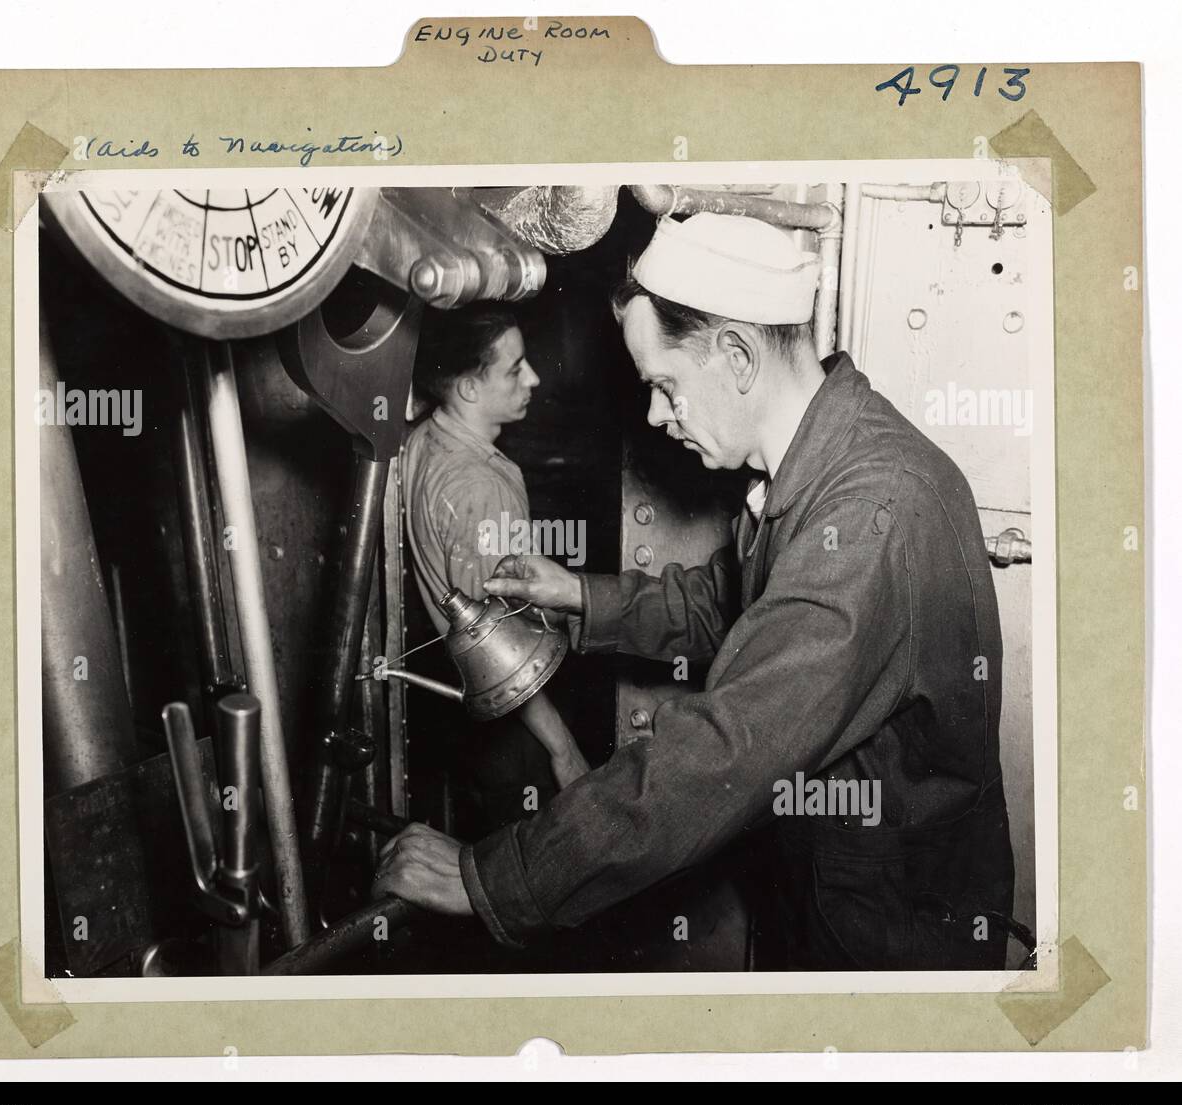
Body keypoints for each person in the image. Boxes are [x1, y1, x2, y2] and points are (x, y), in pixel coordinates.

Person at [375, 213, 1015, 971]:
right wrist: (578, 592)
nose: (655, 415)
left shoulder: (873, 510)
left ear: (737, 356)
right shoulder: (818, 467)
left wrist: (498, 877)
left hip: (885, 940)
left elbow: (726, 750)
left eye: (665, 386)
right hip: (835, 887)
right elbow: (729, 605)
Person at [400, 303, 589, 826]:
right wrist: (562, 748)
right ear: (467, 388)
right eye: (514, 368)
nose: (531, 377)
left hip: (482, 718)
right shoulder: (478, 486)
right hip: (517, 726)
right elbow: (498, 655)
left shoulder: (426, 440)